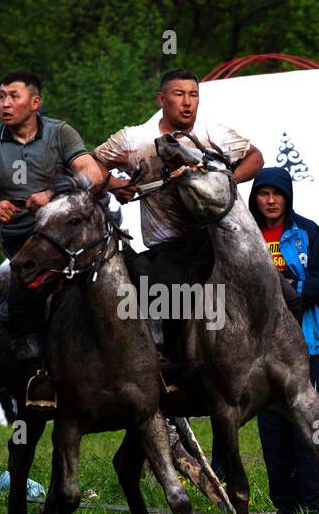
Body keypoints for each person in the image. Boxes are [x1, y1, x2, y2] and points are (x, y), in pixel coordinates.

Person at [0, 71, 108, 410]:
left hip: (70, 236)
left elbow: (93, 173)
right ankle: (37, 375)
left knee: (128, 273)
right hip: (23, 243)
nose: (5, 103)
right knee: (23, 299)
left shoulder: (60, 133)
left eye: (13, 96)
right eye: (1, 96)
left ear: (35, 103)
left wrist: (50, 195)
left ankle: (150, 359)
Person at [92, 69, 262, 380]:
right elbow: (91, 163)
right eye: (179, 94)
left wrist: (228, 181)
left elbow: (255, 157)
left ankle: (281, 357)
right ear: (161, 99)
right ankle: (170, 369)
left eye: (193, 95)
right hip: (169, 245)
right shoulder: (134, 139)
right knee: (170, 298)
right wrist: (114, 185)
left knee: (282, 291)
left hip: (217, 238)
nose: (187, 102)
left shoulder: (214, 133)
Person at [246, 166, 319, 514]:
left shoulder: (308, 233)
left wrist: (285, 291)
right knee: (273, 434)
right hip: (261, 352)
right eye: (263, 193)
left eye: (277, 194)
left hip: (305, 347)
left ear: (288, 197)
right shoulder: (245, 233)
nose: (271, 201)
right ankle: (286, 510)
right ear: (254, 197)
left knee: (310, 430)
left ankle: (318, 509)